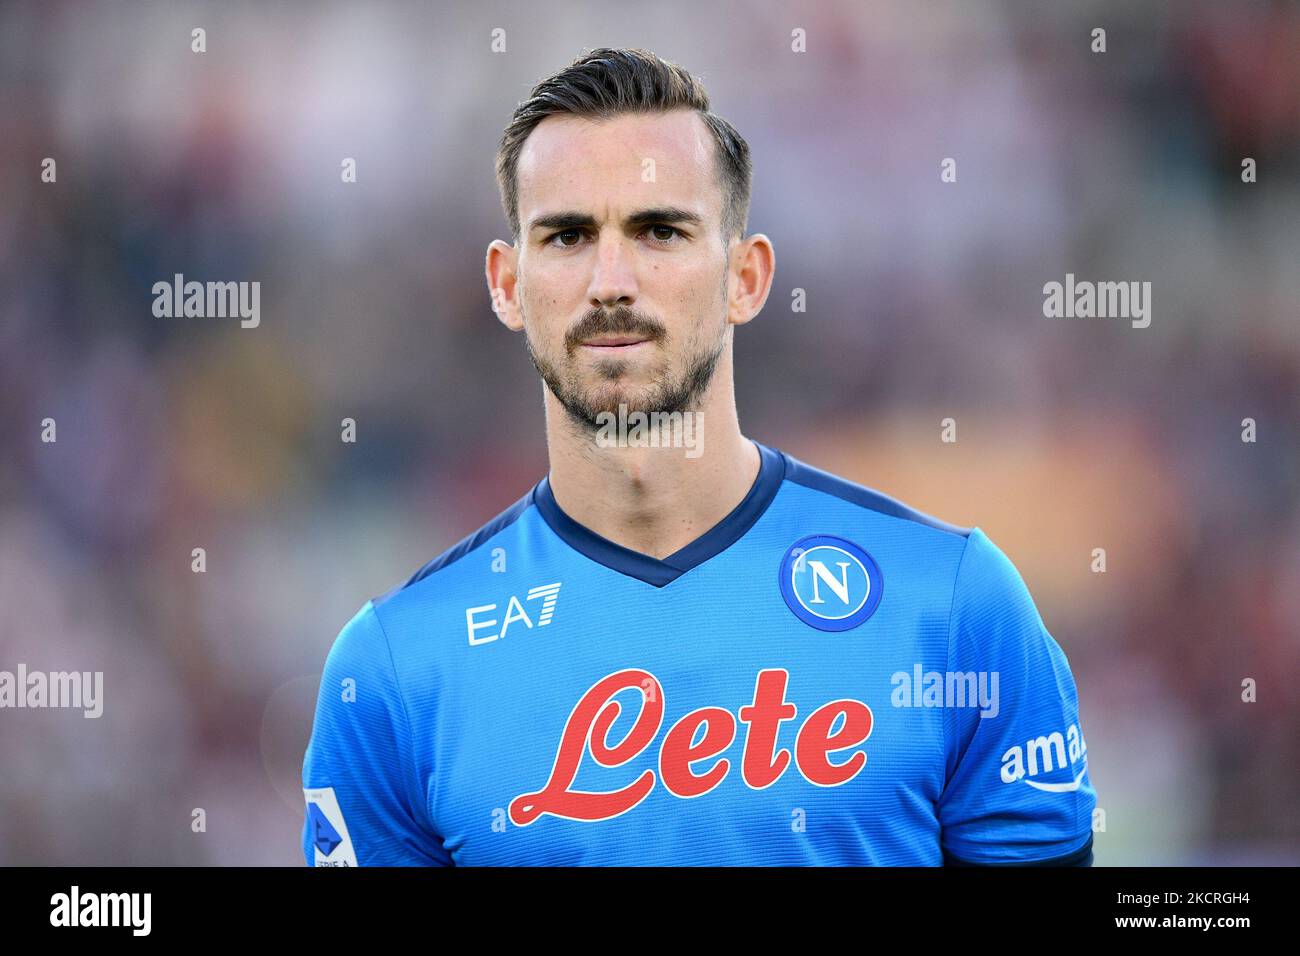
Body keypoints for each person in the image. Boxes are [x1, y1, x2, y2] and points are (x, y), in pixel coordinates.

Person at [301, 47, 1096, 866]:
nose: (612, 280)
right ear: (508, 285)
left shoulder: (954, 605)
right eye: (569, 235)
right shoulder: (395, 672)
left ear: (745, 278)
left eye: (659, 231)